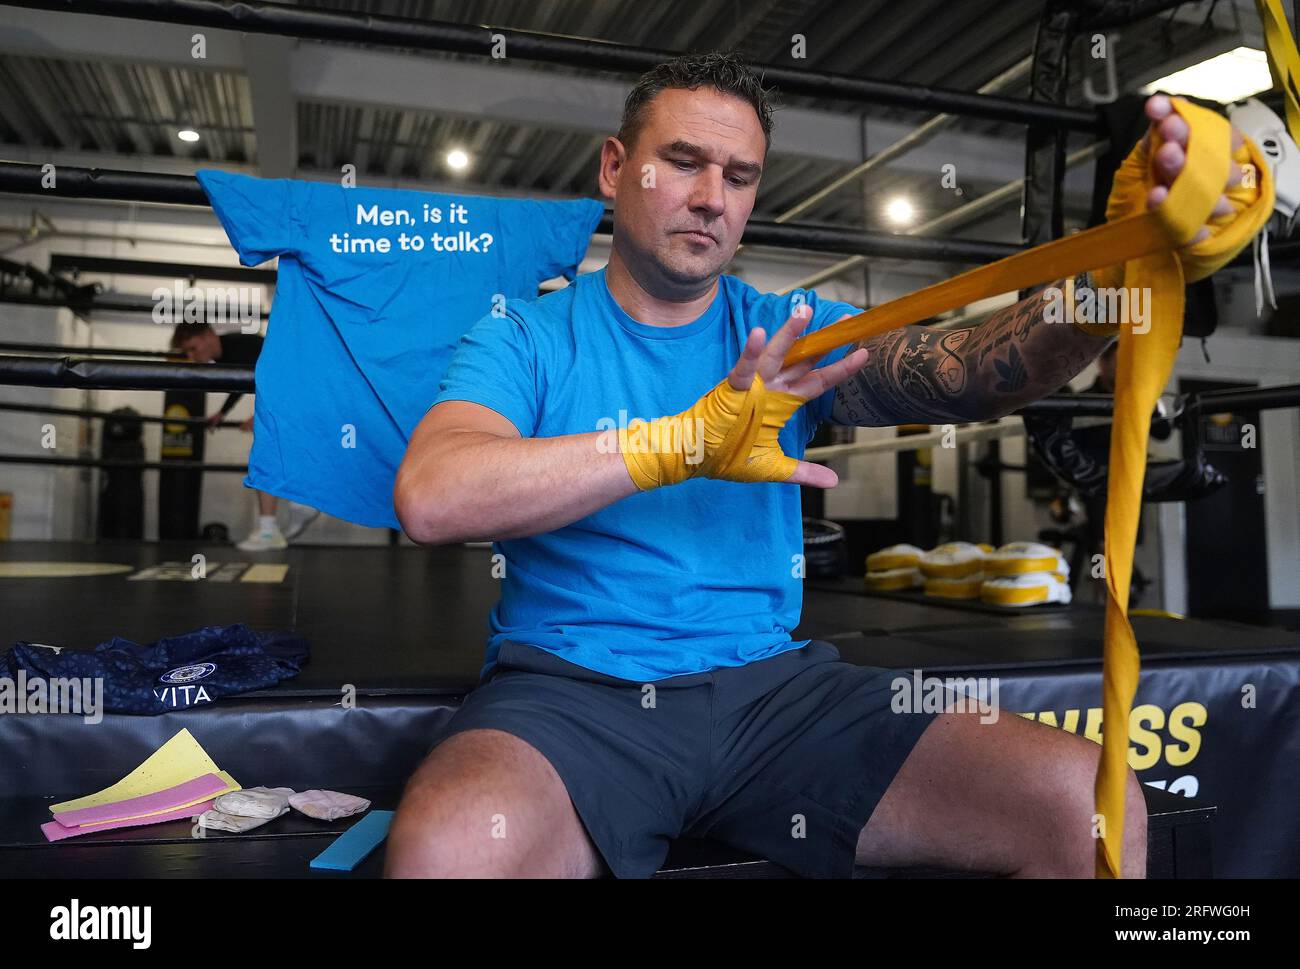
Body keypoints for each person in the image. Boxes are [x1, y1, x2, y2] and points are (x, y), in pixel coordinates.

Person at [386, 52, 1246, 878]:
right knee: (451, 848)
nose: (712, 198)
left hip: (775, 699)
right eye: (682, 162)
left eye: (740, 175)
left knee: (1090, 806)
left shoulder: (790, 334)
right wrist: (680, 442)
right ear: (616, 169)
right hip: (575, 699)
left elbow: (969, 368)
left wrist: (1120, 265)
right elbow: (432, 494)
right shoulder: (525, 336)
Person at [171, 321, 318, 550]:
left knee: (267, 455)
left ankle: (294, 509)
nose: (191, 356)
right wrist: (223, 412)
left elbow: (279, 373)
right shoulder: (227, 352)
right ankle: (292, 510)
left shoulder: (243, 346)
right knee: (269, 455)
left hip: (299, 391)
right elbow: (240, 382)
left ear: (208, 336)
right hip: (297, 394)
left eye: (193, 348)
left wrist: (260, 413)